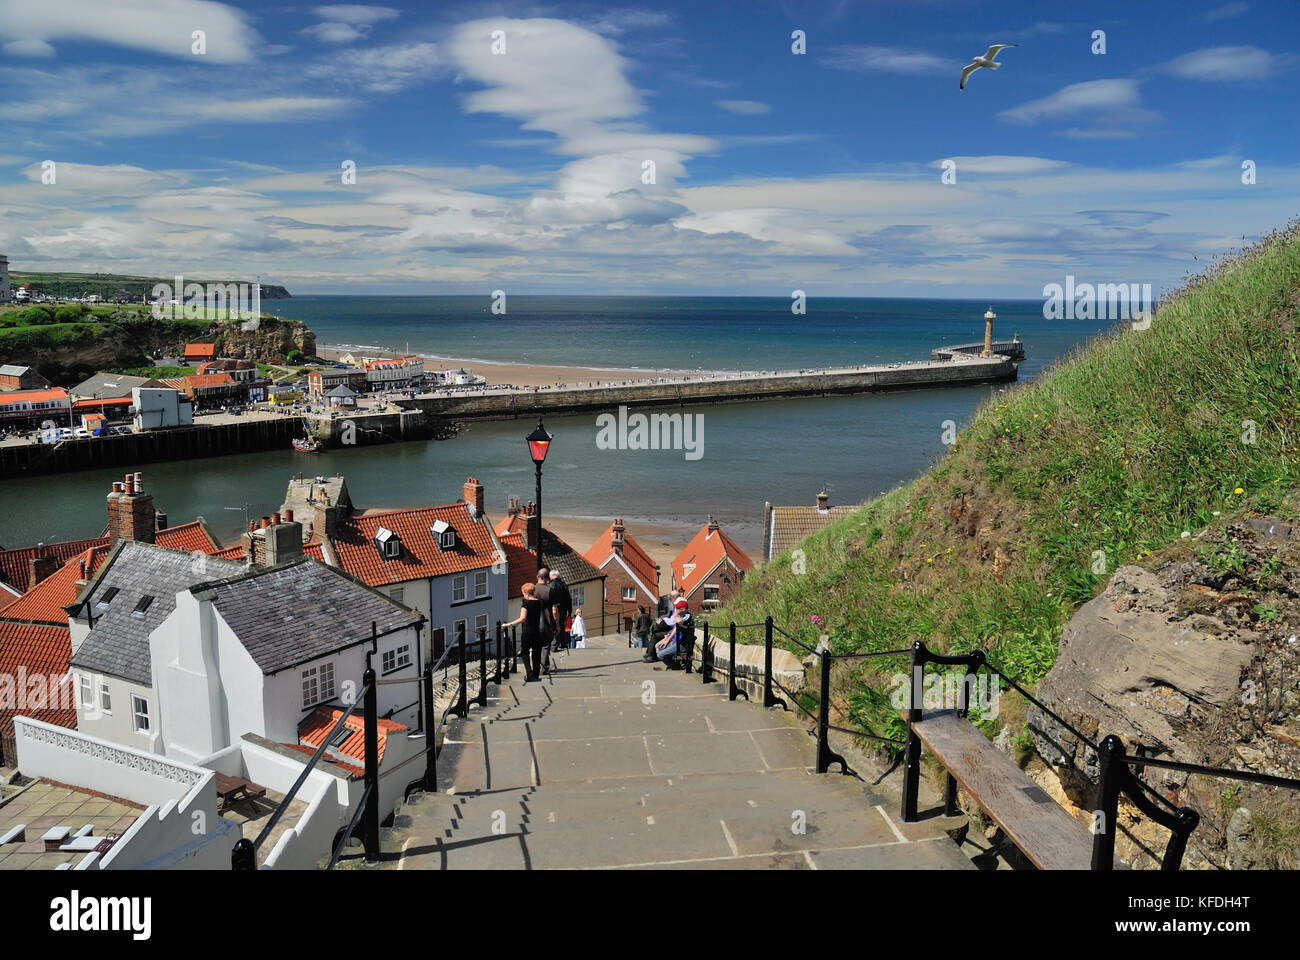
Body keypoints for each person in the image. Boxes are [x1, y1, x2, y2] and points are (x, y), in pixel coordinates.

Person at [504, 582, 545, 682]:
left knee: (525, 652)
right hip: (536, 631)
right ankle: (536, 675)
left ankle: (529, 674)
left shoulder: (525, 603)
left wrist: (509, 624)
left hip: (527, 631)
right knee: (536, 653)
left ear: (526, 592)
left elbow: (522, 618)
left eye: (523, 592)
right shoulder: (539, 602)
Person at [654, 599, 694, 669]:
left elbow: (679, 622)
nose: (676, 609)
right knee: (660, 647)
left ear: (683, 609)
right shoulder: (682, 615)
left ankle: (676, 666)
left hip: (684, 645)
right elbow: (676, 628)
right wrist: (668, 639)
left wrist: (675, 615)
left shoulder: (687, 616)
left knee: (660, 655)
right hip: (679, 642)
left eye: (678, 608)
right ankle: (674, 662)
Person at [534, 568, 554, 675]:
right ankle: (543, 668)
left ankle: (542, 667)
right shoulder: (549, 591)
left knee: (537, 645)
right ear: (547, 579)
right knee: (546, 644)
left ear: (537, 577)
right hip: (545, 621)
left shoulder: (531, 589)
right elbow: (552, 610)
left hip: (533, 621)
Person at [548, 569, 572, 652]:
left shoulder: (550, 585)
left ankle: (553, 645)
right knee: (561, 625)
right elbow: (569, 599)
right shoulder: (564, 585)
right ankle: (562, 643)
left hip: (553, 609)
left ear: (552, 576)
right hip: (563, 609)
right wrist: (570, 610)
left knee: (553, 625)